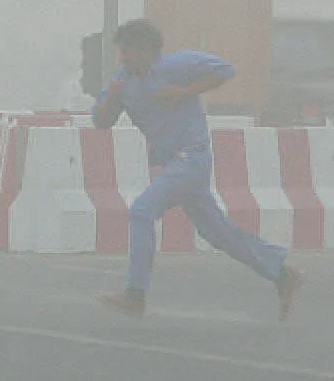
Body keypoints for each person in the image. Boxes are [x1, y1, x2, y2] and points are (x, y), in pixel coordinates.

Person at [93, 19, 303, 320]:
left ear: (146, 50)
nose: (122, 57)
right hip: (173, 163)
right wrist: (112, 98)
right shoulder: (121, 81)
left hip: (192, 158)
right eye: (121, 51)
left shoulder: (177, 65)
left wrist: (185, 92)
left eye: (127, 51)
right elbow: (101, 122)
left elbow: (224, 70)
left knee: (142, 210)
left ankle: (135, 294)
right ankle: (282, 274)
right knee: (216, 232)